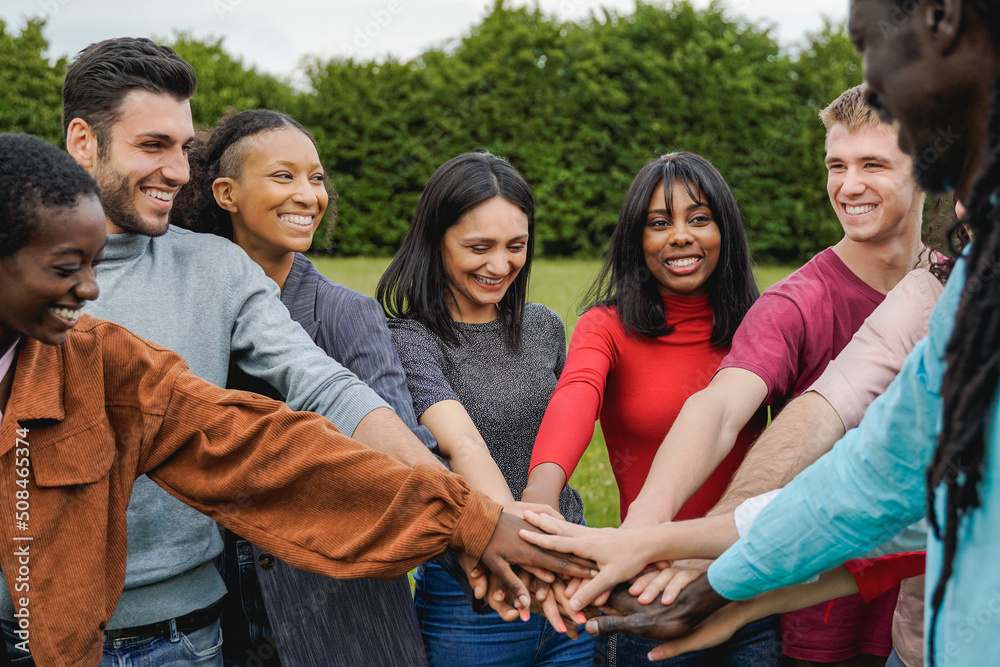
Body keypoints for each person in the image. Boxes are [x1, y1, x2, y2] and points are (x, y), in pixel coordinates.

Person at [0, 133, 595, 667]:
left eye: (96, 265)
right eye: (65, 266)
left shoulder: (102, 355)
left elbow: (254, 441)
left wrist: (475, 521)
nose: (91, 291)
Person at [37, 36, 495, 664]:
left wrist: (464, 512)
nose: (177, 170)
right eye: (153, 145)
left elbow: (323, 384)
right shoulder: (20, 278)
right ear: (84, 142)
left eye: (184, 149)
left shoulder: (215, 267)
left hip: (184, 636)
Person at [572, 1, 1000, 664]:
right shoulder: (946, 287)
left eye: (871, 49)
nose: (878, 89)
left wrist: (704, 565)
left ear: (943, 20)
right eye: (837, 165)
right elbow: (875, 471)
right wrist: (675, 551)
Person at [622, 85, 928, 666]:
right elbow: (719, 409)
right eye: (836, 165)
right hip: (824, 624)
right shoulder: (797, 302)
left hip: (926, 615)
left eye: (873, 164)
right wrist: (644, 528)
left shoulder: (951, 290)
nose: (848, 185)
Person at [171, 109, 432, 666]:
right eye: (283, 176)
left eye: (316, 178)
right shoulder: (187, 310)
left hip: (338, 614)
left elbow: (403, 452)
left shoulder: (346, 314)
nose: (309, 194)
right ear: (226, 192)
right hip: (218, 616)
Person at [521, 152, 775, 665]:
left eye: (698, 219)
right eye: (659, 223)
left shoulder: (764, 323)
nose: (680, 236)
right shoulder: (607, 326)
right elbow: (576, 393)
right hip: (647, 588)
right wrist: (539, 500)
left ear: (725, 231)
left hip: (751, 581)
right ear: (637, 241)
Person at [376, 151, 595, 666]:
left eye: (515, 246)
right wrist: (516, 542)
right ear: (435, 241)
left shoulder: (544, 328)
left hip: (568, 574)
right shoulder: (409, 340)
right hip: (470, 595)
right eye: (479, 247)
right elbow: (461, 442)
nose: (500, 265)